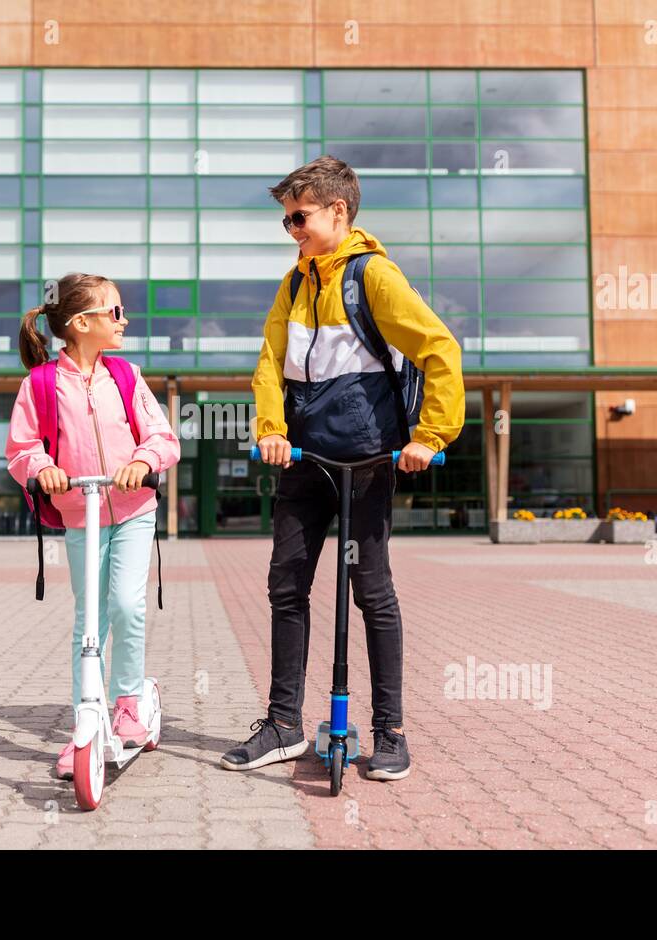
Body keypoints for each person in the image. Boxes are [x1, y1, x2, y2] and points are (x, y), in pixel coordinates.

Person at [221, 155, 465, 781]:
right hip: (304, 459)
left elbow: (440, 349)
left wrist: (429, 436)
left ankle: (390, 732)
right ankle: (283, 725)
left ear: (338, 211)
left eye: (298, 217)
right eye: (286, 221)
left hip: (367, 460)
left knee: (372, 590)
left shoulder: (373, 277)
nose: (292, 229)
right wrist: (271, 429)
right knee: (286, 585)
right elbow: (270, 364)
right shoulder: (294, 283)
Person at [6, 273, 181, 779]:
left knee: (126, 603)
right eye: (115, 313)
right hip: (81, 513)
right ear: (81, 323)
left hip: (131, 512)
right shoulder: (40, 384)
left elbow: (164, 438)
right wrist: (43, 470)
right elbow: (22, 448)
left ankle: (130, 702)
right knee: (89, 619)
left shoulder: (127, 375)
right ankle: (89, 712)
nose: (124, 321)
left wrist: (144, 462)